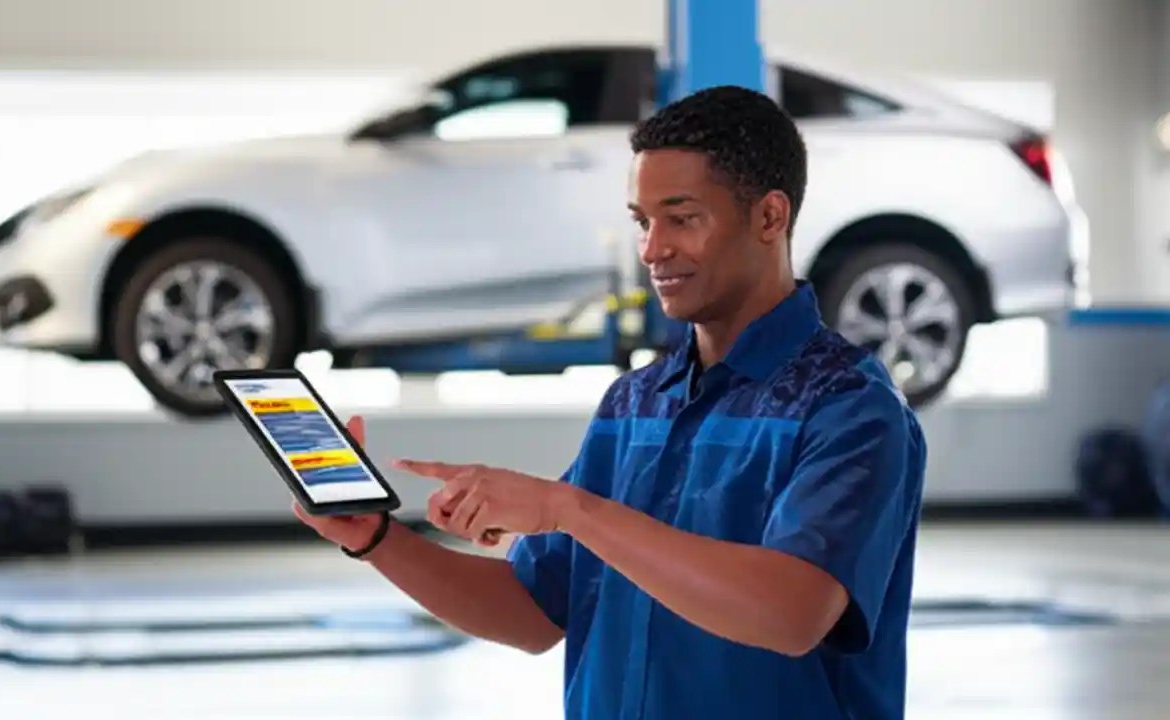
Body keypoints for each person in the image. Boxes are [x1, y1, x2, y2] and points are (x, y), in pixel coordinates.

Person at [293, 85, 927, 720]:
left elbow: (790, 614)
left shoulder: (848, 406)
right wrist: (377, 538)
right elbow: (533, 611)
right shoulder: (634, 405)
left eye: (683, 218)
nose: (653, 250)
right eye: (642, 221)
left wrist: (566, 508)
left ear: (769, 217)